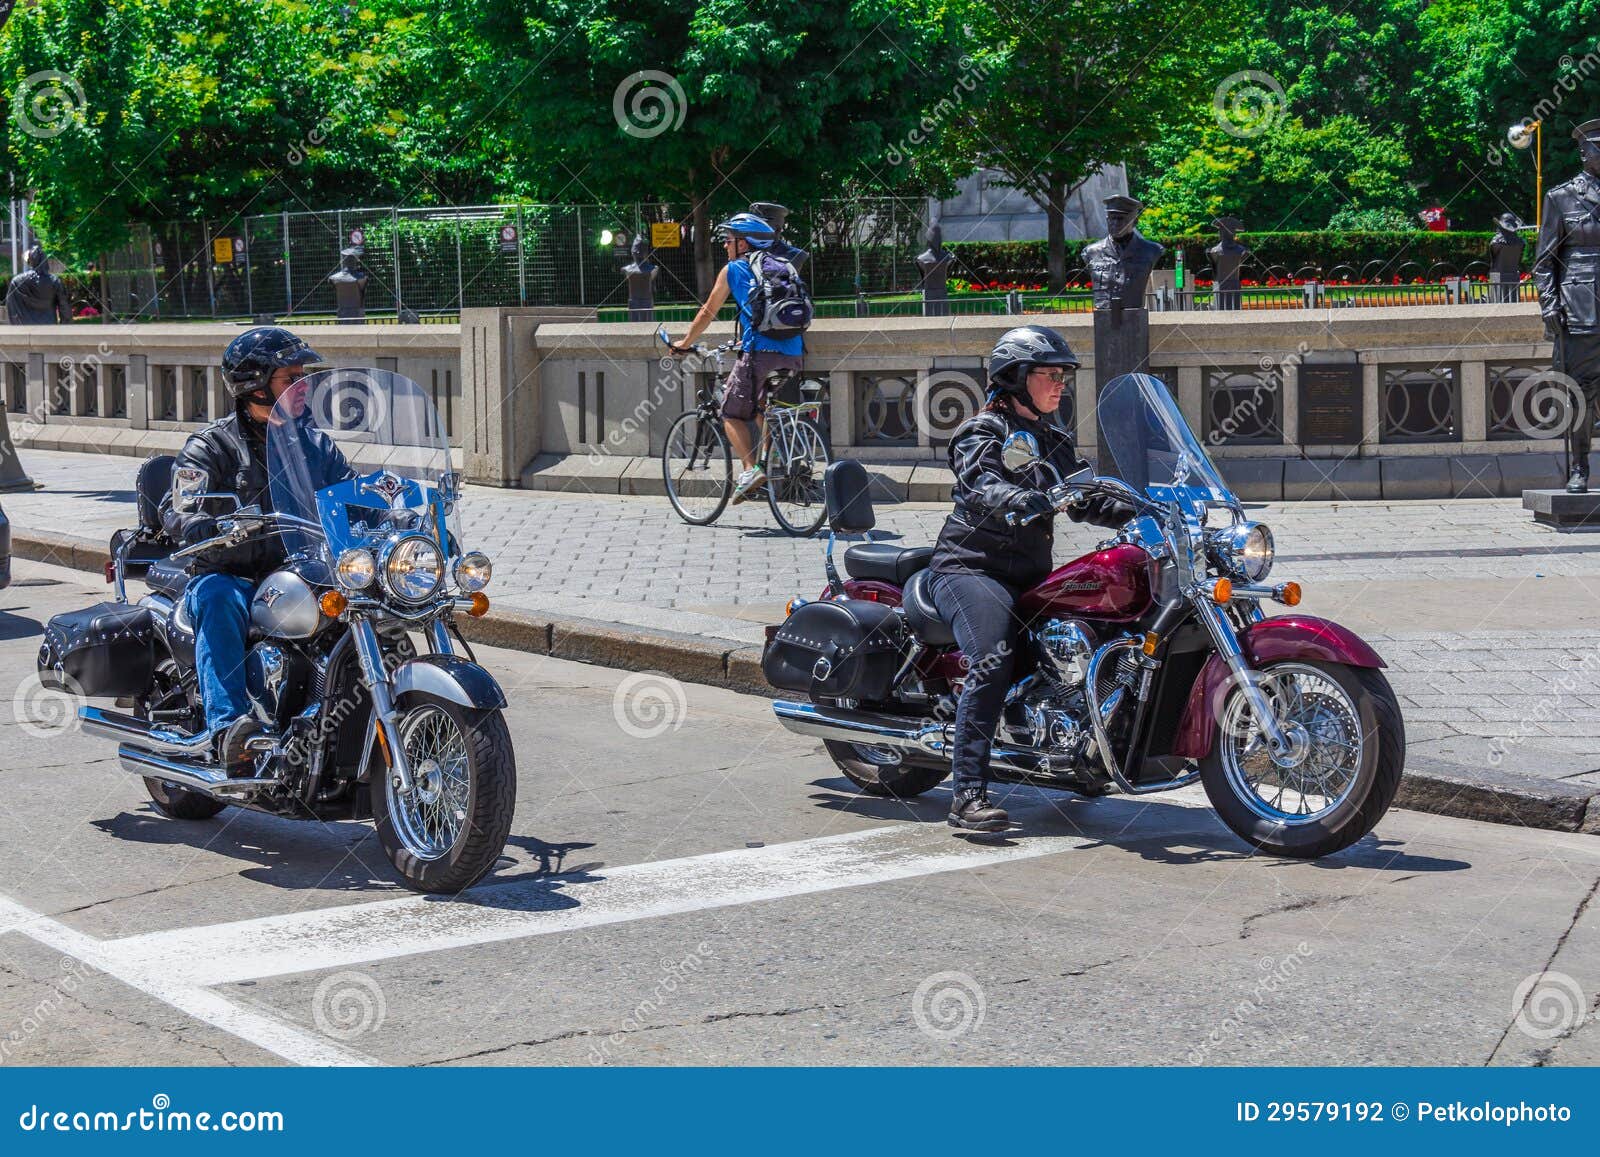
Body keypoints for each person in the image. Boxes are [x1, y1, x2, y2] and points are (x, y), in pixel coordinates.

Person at [927, 326, 1135, 832]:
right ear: (1016, 377)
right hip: (970, 568)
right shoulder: (982, 431)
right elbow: (981, 482)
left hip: (1030, 576)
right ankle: (968, 793)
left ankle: (1087, 751)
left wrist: (1140, 509)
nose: (1060, 384)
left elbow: (1088, 494)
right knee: (993, 657)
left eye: (1063, 375)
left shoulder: (1052, 437)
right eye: (1050, 374)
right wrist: (1018, 498)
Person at [162, 326, 344, 772]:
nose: (302, 388)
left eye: (304, 377)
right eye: (290, 379)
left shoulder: (314, 443)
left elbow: (348, 493)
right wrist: (201, 522)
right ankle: (229, 728)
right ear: (254, 385)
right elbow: (178, 507)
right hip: (231, 572)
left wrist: (393, 513)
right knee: (218, 599)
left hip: (298, 570)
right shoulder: (212, 445)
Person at [668, 212, 804, 503]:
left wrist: (684, 342)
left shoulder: (734, 269)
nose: (725, 246)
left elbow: (707, 311)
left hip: (759, 356)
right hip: (793, 355)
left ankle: (750, 469)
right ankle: (770, 456)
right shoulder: (784, 265)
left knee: (730, 413)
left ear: (744, 244)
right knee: (761, 407)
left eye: (729, 240)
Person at [5, 246, 72, 325]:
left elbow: (11, 307)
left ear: (30, 261)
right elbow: (64, 307)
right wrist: (65, 328)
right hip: (49, 327)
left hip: (26, 328)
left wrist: (16, 327)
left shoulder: (16, 281)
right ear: (45, 260)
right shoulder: (55, 281)